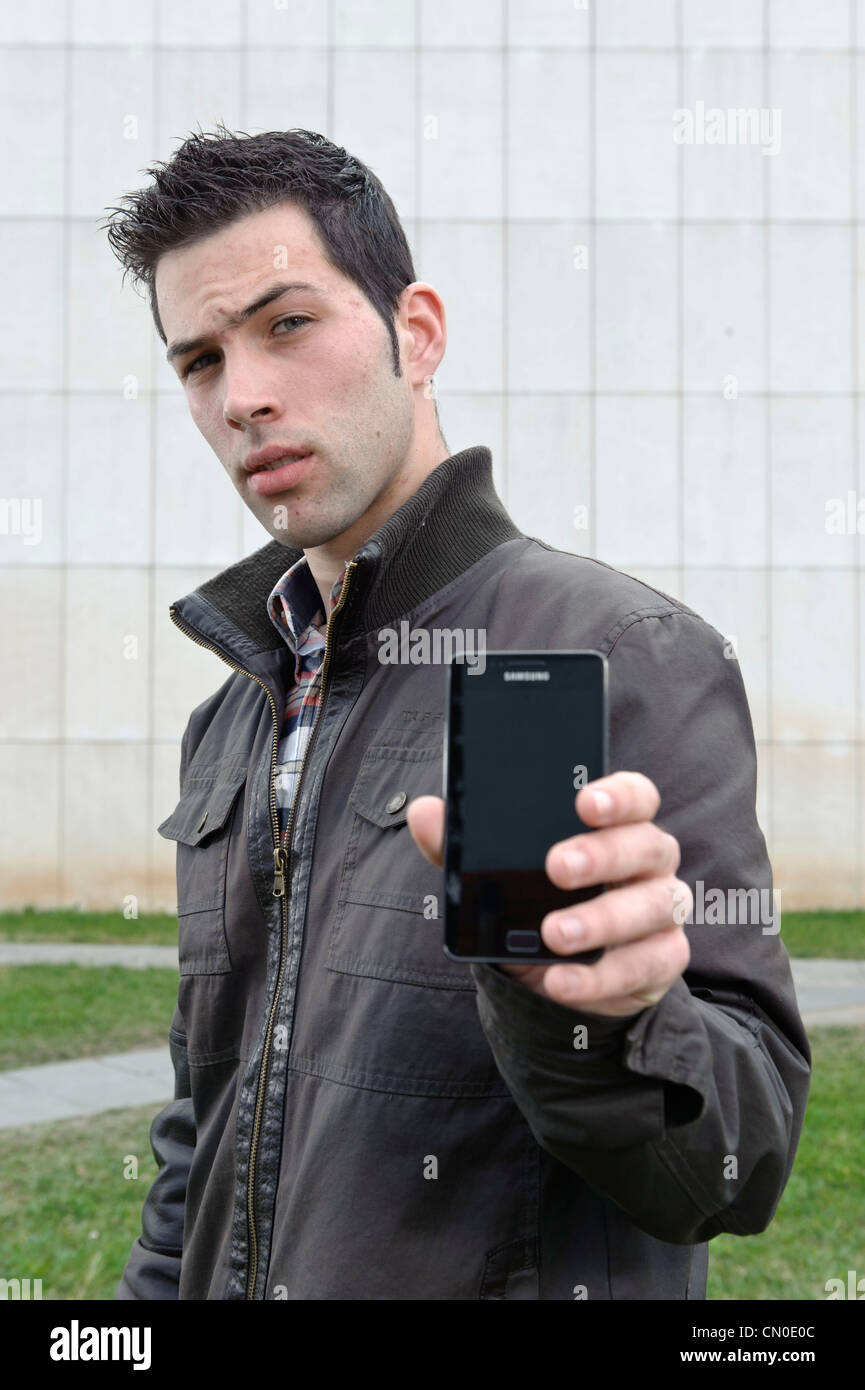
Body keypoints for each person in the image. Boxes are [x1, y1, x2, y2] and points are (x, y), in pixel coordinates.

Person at [103, 126, 810, 1300]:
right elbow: (205, 1127)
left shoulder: (612, 650)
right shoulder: (234, 712)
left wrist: (605, 1018)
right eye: (199, 362)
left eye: (286, 325)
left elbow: (735, 1167)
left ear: (415, 333)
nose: (245, 397)